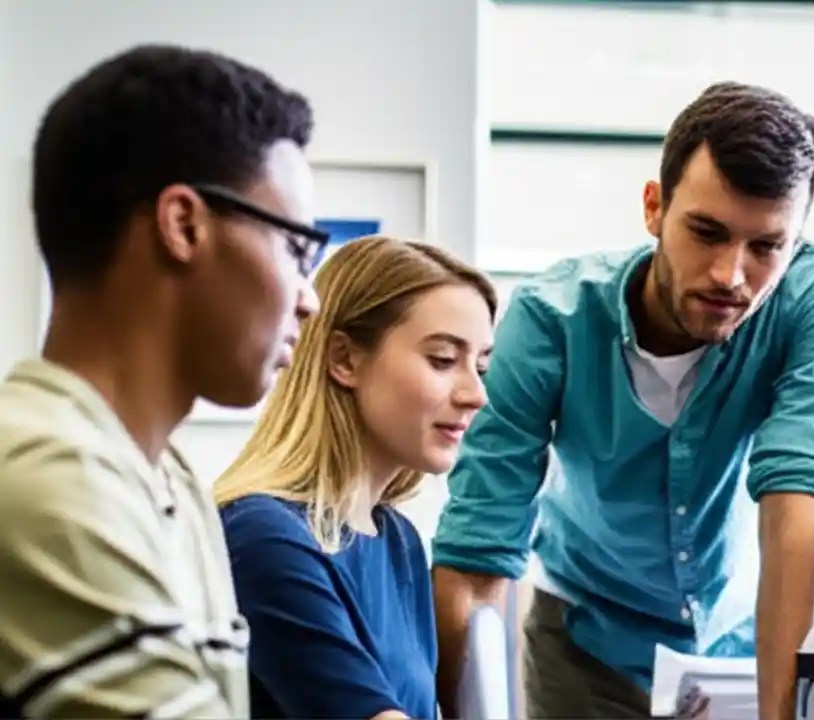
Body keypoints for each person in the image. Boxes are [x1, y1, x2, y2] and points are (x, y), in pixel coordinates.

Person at [433, 81, 814, 720]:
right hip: (585, 650)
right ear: (654, 207)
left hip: (742, 651)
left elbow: (798, 502)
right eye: (707, 232)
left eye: (766, 246)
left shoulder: (813, 294)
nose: (731, 275)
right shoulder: (550, 317)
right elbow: (476, 551)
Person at [0, 44, 321, 717]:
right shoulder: (50, 476)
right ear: (183, 224)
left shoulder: (168, 478)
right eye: (295, 248)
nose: (308, 298)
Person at [213, 236, 496, 720]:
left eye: (482, 365)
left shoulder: (398, 541)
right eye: (444, 360)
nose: (476, 394)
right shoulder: (262, 536)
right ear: (344, 359)